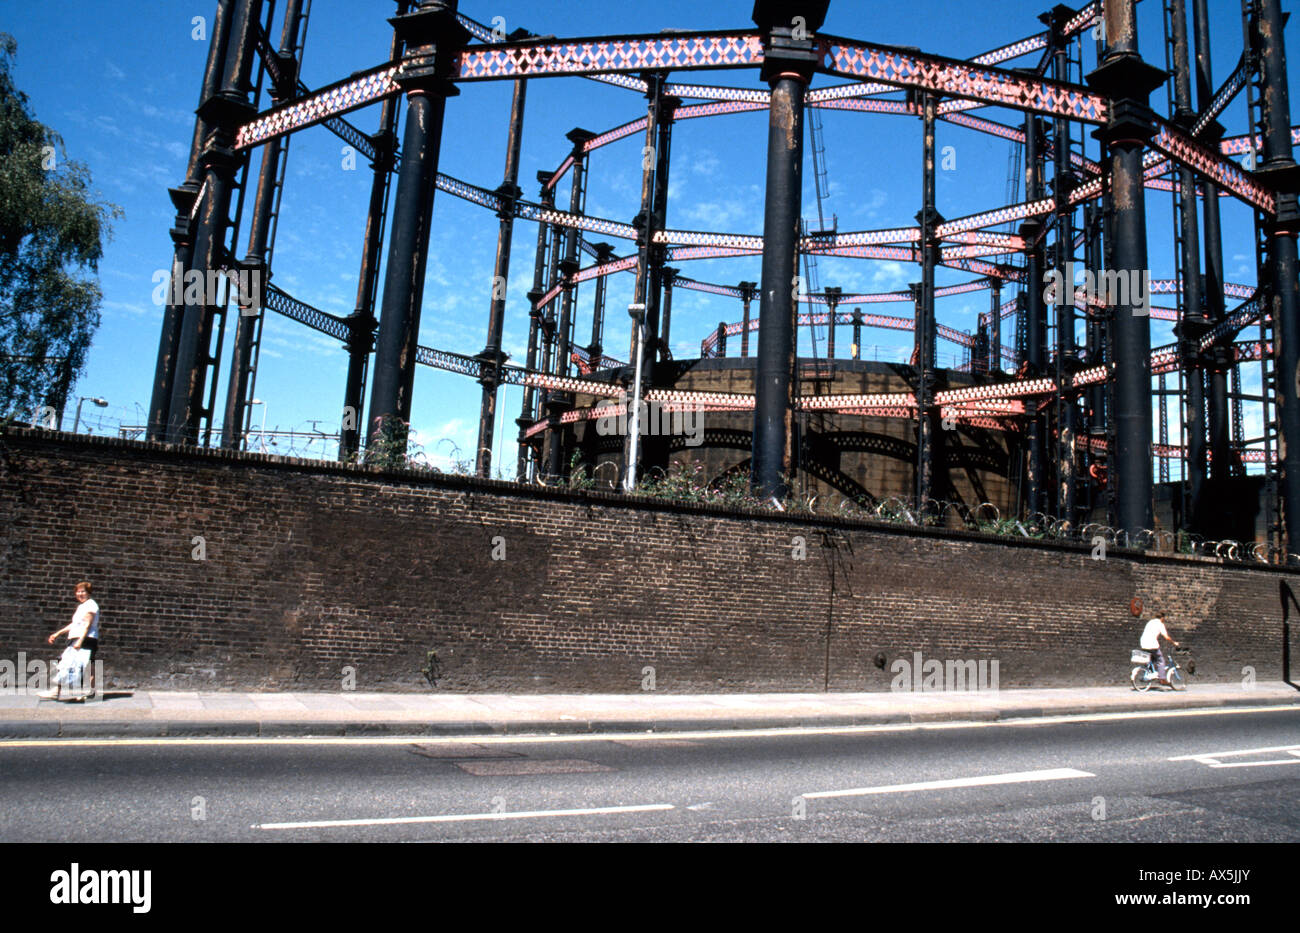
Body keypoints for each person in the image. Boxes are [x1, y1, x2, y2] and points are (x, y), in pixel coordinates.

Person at [39, 581, 100, 700]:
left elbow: (87, 625)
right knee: (88, 664)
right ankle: (92, 693)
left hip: (85, 639)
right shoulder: (82, 606)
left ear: (88, 593)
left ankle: (56, 690)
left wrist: (80, 641)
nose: (80, 594)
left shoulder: (91, 605)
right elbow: (75, 624)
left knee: (67, 662)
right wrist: (58, 633)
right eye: (78, 592)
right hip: (82, 638)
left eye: (83, 591)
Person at [1139, 613, 1179, 686]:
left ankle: (1152, 673)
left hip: (1143, 643)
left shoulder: (1150, 622)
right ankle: (1162, 679)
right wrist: (1174, 643)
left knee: (1152, 660)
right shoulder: (1160, 624)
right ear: (1162, 618)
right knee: (1161, 660)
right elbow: (1166, 637)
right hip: (1152, 644)